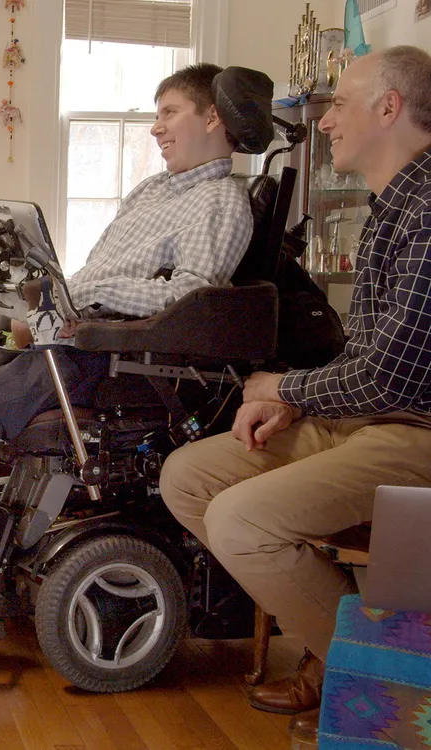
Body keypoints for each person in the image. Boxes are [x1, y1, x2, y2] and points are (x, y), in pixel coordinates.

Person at [0, 63, 257, 632]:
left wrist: (83, 295)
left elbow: (192, 292)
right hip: (82, 337)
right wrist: (47, 298)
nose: (156, 128)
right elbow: (98, 272)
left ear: (213, 117)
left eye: (169, 113)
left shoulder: (220, 200)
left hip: (127, 359)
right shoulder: (151, 191)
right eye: (156, 115)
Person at [158, 46, 431, 739]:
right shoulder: (392, 205)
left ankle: (385, 682)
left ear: (389, 108)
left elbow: (392, 377)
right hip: (370, 417)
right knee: (188, 476)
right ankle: (343, 649)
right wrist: (298, 399)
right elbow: (368, 359)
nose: (328, 120)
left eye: (340, 103)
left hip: (413, 433)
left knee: (242, 522)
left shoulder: (428, 212)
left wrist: (289, 385)